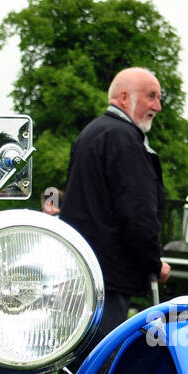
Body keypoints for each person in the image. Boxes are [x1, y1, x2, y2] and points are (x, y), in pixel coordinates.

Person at [61, 67, 171, 342]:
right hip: (109, 276)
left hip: (82, 270)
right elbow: (138, 214)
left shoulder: (92, 133)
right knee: (106, 364)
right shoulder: (125, 140)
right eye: (151, 96)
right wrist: (154, 263)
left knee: (79, 357)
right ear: (124, 97)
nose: (157, 106)